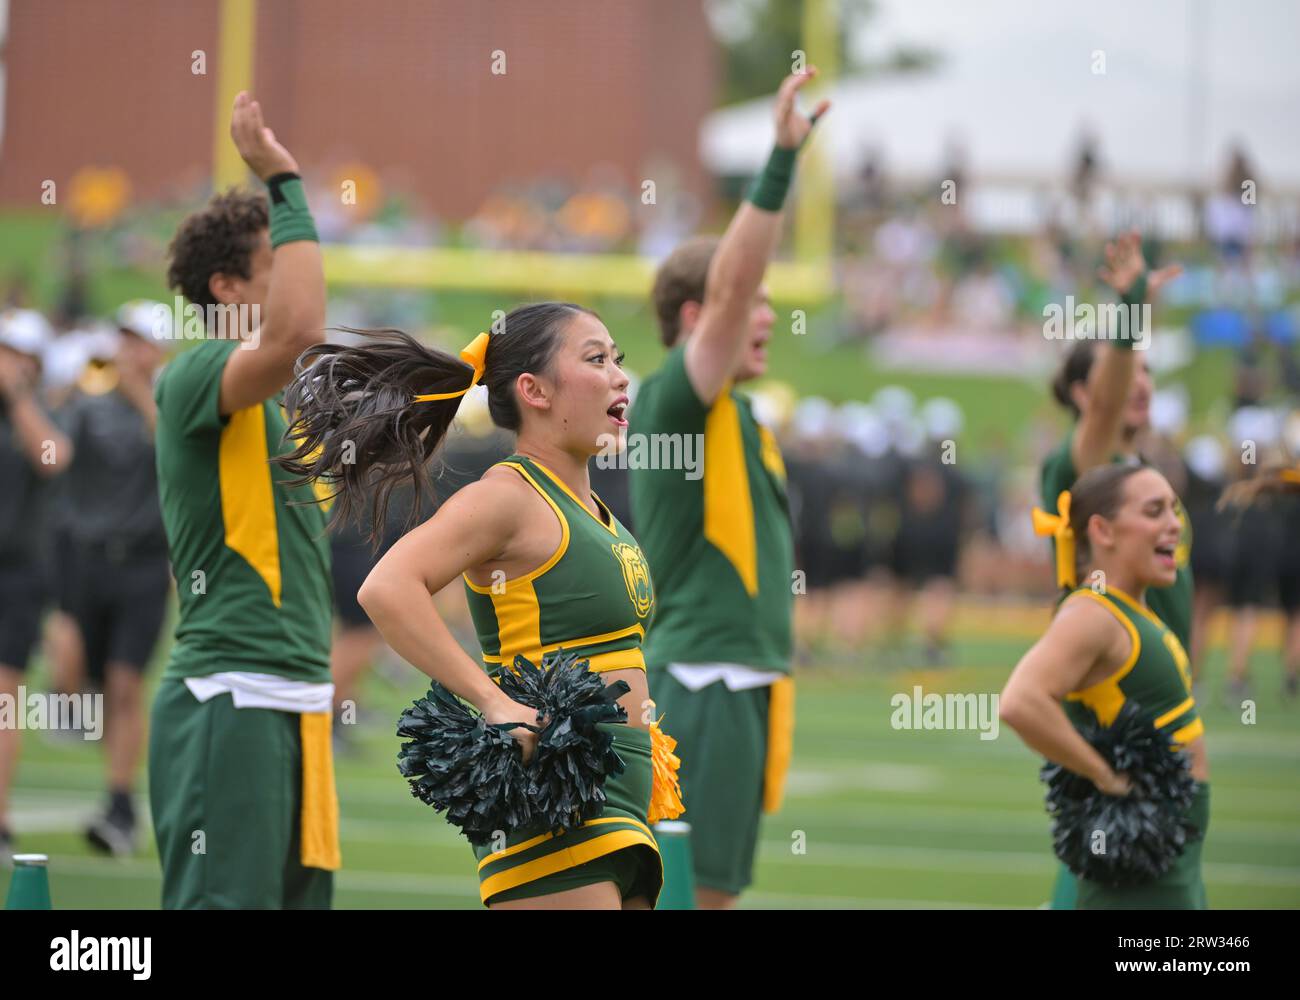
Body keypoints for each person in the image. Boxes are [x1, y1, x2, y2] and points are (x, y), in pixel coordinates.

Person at [281, 303, 671, 909]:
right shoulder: (507, 496)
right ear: (533, 390)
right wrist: (492, 701)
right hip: (557, 789)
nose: (620, 375)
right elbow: (387, 588)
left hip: (622, 784)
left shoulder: (598, 512)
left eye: (618, 358)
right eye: (596, 358)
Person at [630, 70, 828, 908]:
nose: (766, 317)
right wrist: (780, 161)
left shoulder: (742, 416)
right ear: (697, 317)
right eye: (753, 303)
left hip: (741, 683)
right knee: (688, 902)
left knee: (713, 899)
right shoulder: (676, 395)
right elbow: (735, 284)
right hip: (701, 683)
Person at [147, 92, 339, 908]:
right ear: (227, 289)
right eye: (277, 263)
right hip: (231, 695)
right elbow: (297, 330)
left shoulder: (284, 409)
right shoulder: (195, 371)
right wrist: (287, 183)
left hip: (301, 700)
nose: (297, 276)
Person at [1038, 230, 1183, 908]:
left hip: (1153, 686)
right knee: (1114, 874)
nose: (1140, 381)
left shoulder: (1142, 479)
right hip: (1112, 701)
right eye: (1126, 369)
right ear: (1077, 394)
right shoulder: (1079, 468)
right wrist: (1127, 313)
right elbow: (1104, 406)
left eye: (1149, 370)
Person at [1002, 464, 1209, 909]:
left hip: (1168, 846)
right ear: (1103, 530)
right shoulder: (1093, 615)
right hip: (1140, 852)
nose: (1173, 524)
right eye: (1154, 512)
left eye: (1173, 511)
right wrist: (1105, 776)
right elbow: (1020, 702)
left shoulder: (1131, 610)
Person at [57, 302, 170, 855]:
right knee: (81, 680)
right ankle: (104, 760)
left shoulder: (168, 402)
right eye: (123, 340)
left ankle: (120, 803)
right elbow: (55, 455)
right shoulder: (88, 402)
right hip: (87, 558)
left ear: (158, 352)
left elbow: (174, 451)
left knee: (126, 685)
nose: (128, 351)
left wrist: (135, 391)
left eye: (139, 342)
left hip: (146, 564)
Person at [0, 308, 73, 863]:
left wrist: (16, 396)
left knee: (5, 701)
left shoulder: (41, 410)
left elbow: (54, 459)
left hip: (15, 576)